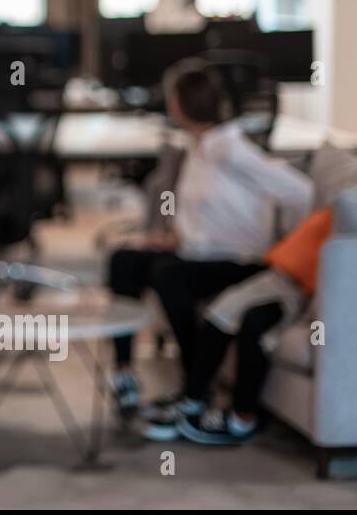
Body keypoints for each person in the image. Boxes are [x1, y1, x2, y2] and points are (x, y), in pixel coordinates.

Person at [106, 59, 313, 428]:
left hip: (239, 260)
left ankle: (193, 384)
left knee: (168, 275)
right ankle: (125, 374)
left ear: (182, 104)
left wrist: (282, 243)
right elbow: (200, 212)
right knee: (123, 261)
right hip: (197, 253)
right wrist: (171, 237)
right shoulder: (198, 147)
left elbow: (301, 192)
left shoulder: (232, 150)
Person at [171, 207, 330, 445]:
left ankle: (242, 419)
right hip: (274, 275)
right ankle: (193, 399)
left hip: (299, 293)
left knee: (256, 323)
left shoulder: (351, 213)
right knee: (218, 314)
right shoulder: (336, 207)